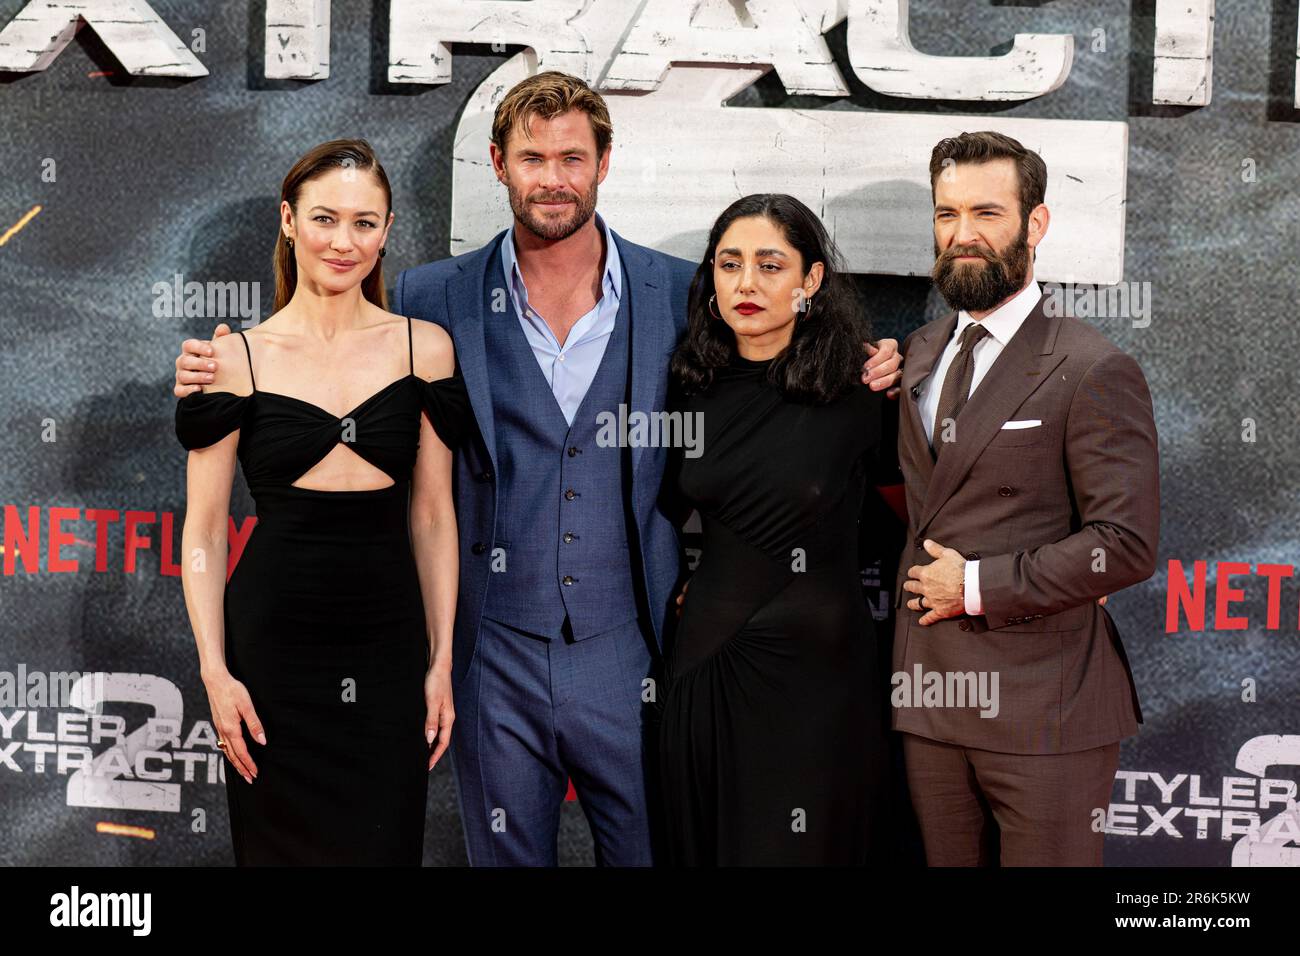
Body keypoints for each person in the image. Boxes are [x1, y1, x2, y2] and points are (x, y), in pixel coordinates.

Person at [173, 72, 904, 867]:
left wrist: (870, 362)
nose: (552, 178)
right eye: (531, 157)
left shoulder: (681, 291)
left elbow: (773, 369)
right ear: (497, 164)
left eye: (571, 157)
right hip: (490, 657)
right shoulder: (433, 299)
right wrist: (214, 372)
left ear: (604, 163)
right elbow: (343, 369)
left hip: (635, 652)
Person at [175, 139, 471, 865]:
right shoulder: (231, 359)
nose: (344, 242)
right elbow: (205, 530)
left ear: (389, 230)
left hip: (388, 647)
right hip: (273, 653)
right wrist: (215, 670)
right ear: (287, 220)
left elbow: (433, 517)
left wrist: (439, 662)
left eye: (365, 223)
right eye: (325, 219)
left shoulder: (425, 349)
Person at [896, 131, 1159, 866]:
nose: (963, 235)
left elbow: (1126, 542)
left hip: (1047, 712)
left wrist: (975, 584)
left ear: (1035, 225)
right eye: (947, 215)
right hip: (931, 698)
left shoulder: (1092, 366)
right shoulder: (916, 352)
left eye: (987, 212)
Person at [658, 194, 901, 866]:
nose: (746, 284)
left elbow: (913, 513)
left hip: (820, 679)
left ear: (811, 281)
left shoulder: (862, 383)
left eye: (771, 265)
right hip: (706, 662)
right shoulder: (690, 382)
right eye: (729, 264)